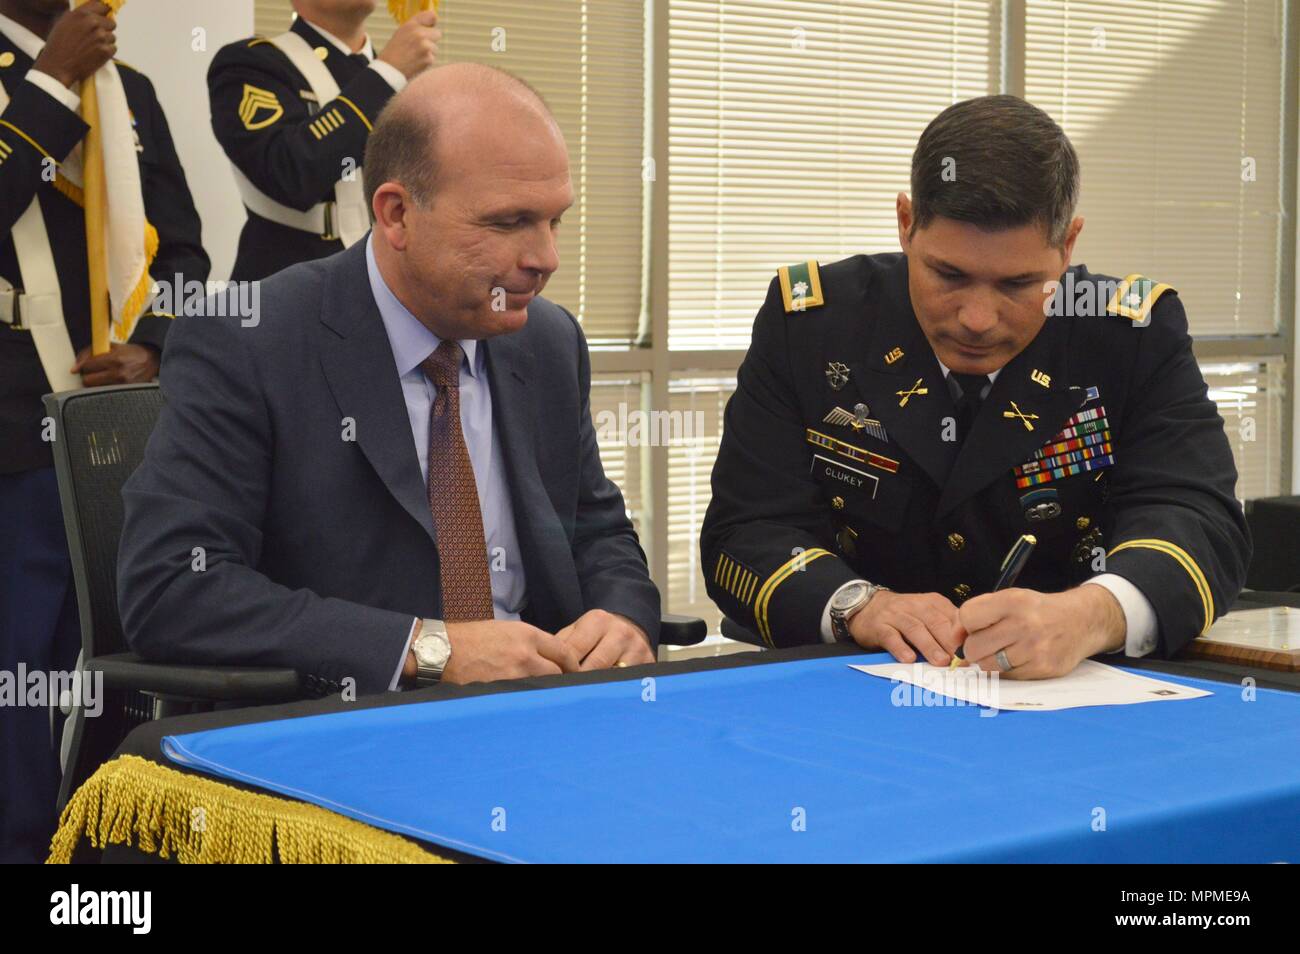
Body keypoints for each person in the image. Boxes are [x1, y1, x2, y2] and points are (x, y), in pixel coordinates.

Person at [118, 63, 659, 698]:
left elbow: (595, 529)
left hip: (540, 716)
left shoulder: (547, 340)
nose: (545, 258)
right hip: (344, 728)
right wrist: (426, 649)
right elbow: (173, 586)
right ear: (397, 214)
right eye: (509, 222)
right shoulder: (248, 341)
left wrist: (622, 615)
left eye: (554, 220)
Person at [701, 95, 1250, 679]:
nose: (977, 318)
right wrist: (857, 606)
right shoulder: (814, 326)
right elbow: (747, 530)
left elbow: (1202, 519)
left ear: (1067, 248)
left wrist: (1093, 614)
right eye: (949, 274)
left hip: (1067, 697)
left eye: (1018, 283)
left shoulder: (1124, 335)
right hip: (848, 686)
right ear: (906, 224)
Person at [0, 0, 207, 862]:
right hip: (12, 432)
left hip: (118, 430)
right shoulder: (48, 83)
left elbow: (188, 253)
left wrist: (154, 343)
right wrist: (48, 79)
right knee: (16, 677)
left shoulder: (132, 92)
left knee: (119, 665)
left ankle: (100, 856)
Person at [208, 0, 440, 281]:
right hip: (288, 288)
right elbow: (290, 172)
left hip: (389, 281)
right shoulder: (251, 63)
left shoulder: (404, 79)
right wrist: (386, 73)